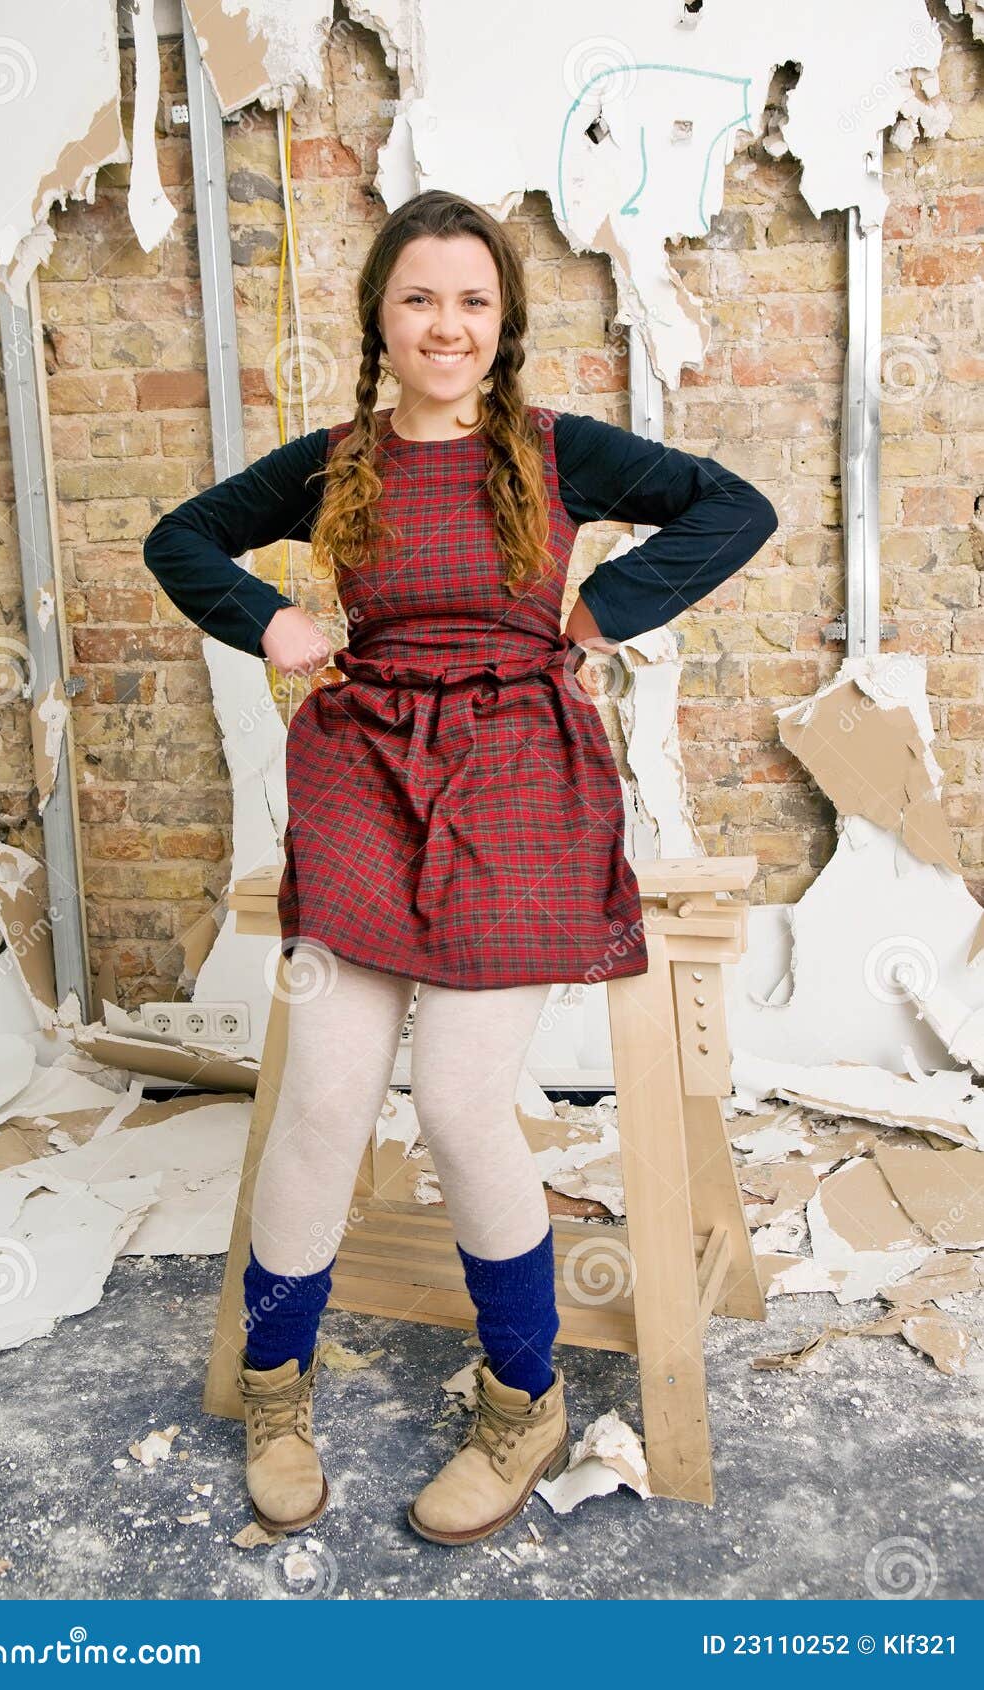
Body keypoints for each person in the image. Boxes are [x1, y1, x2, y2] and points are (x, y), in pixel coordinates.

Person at [143, 188, 778, 1547]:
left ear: (505, 322)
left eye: (474, 301)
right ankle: (275, 1388)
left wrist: (603, 610)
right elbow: (178, 539)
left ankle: (524, 1399)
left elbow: (735, 507)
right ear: (381, 318)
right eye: (420, 297)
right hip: (365, 778)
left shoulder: (554, 451)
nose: (448, 324)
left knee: (458, 1100)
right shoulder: (336, 462)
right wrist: (269, 619)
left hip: (518, 782)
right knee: (323, 1098)